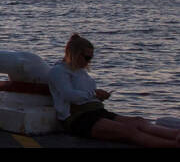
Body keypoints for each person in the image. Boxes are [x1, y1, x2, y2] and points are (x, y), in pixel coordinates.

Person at [47, 34, 180, 147]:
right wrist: (93, 94)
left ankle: (176, 135)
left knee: (139, 122)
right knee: (128, 131)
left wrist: (99, 96)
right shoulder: (59, 72)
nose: (89, 62)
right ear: (74, 54)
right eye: (87, 58)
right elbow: (68, 95)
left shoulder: (80, 72)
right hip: (78, 118)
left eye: (91, 58)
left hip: (96, 111)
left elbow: (85, 94)